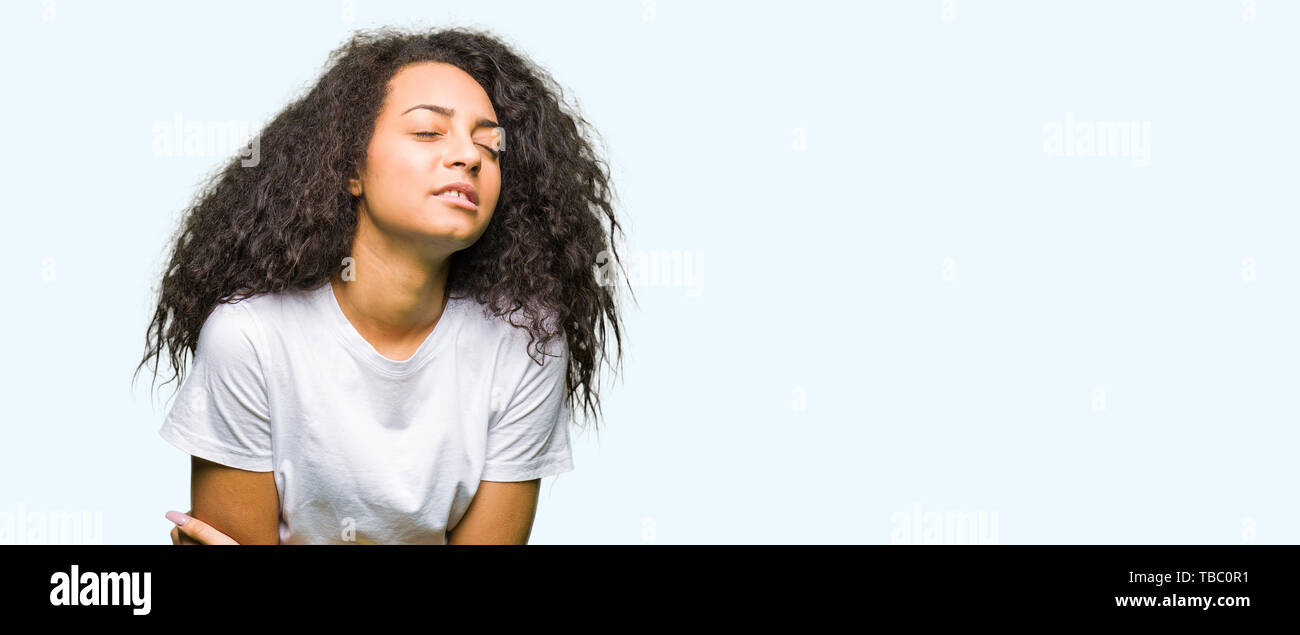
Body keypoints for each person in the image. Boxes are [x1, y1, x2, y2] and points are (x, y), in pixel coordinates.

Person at [134, 26, 628, 545]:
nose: (470, 156)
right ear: (352, 170)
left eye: (490, 145)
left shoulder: (526, 340)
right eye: (428, 133)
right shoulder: (249, 336)